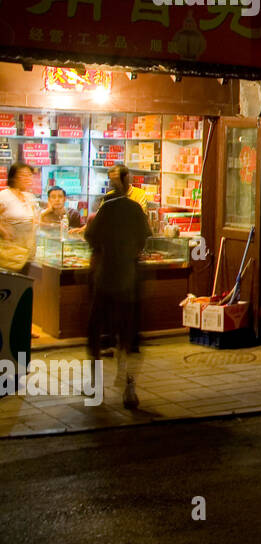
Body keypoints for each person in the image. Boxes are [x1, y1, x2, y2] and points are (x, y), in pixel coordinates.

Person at [83, 163, 152, 407]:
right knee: (129, 336)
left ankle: (94, 386)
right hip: (129, 280)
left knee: (96, 331)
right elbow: (144, 240)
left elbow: (90, 238)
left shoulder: (106, 210)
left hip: (105, 279)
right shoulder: (135, 209)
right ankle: (128, 388)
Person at [0, 163, 41, 273]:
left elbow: (34, 220)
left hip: (27, 252)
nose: (28, 178)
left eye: (30, 175)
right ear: (13, 177)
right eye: (24, 175)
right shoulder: (4, 196)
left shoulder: (29, 197)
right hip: (9, 253)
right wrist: (4, 232)